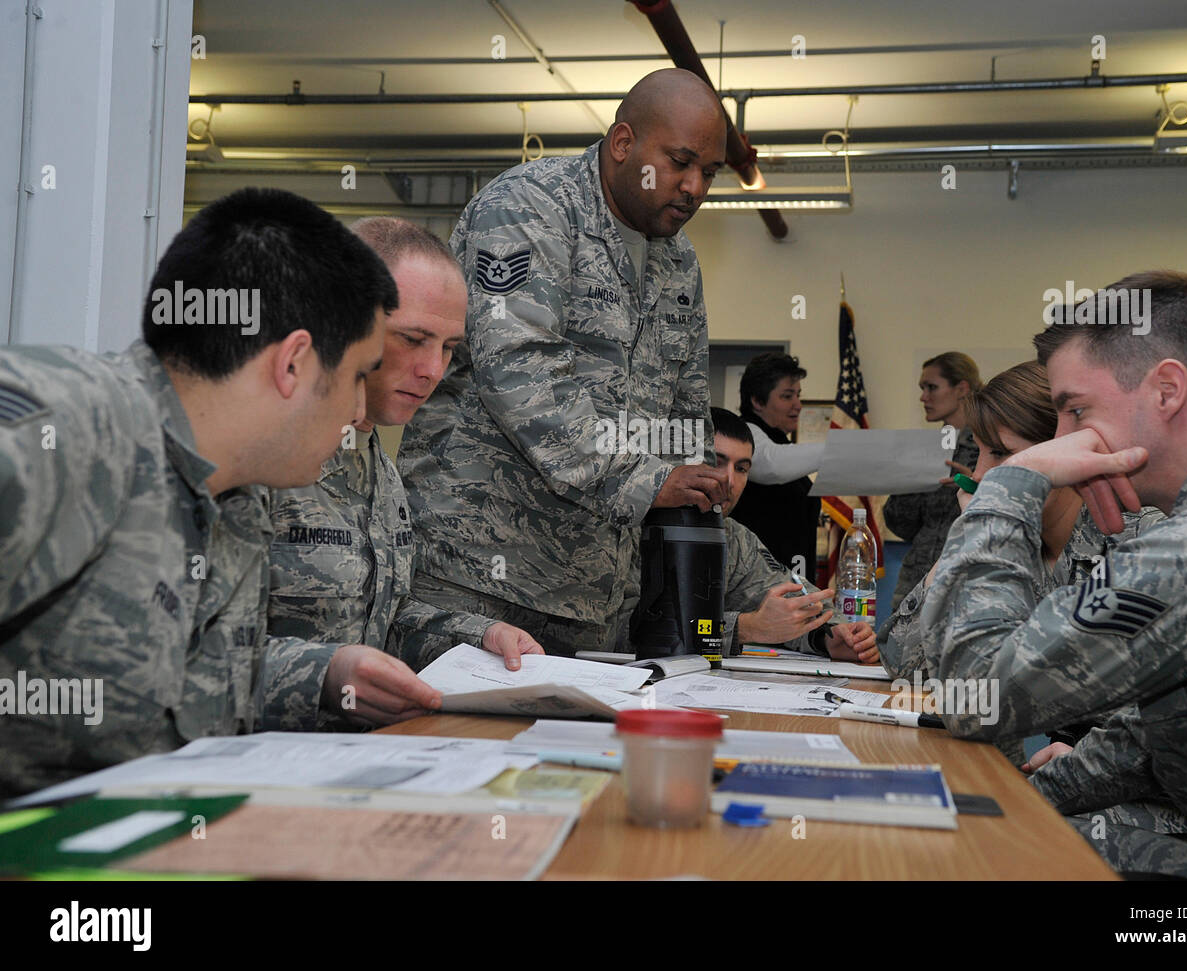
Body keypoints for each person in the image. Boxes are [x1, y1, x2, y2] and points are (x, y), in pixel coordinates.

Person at [0, 189, 442, 797]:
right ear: (292, 365)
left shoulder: (233, 495)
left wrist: (322, 672)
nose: (360, 407)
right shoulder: (64, 430)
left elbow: (194, 693)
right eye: (356, 377)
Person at [920, 270, 1187, 880]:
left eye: (1075, 411)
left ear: (1167, 390)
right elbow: (1159, 727)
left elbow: (974, 694)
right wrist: (1035, 797)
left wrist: (1013, 482)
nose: (1064, 440)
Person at [397, 69, 730, 656]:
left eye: (709, 172)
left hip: (598, 592)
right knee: (458, 745)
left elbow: (686, 404)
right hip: (480, 573)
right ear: (623, 143)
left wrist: (695, 491)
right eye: (680, 162)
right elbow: (520, 371)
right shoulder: (528, 207)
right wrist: (650, 481)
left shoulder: (679, 262)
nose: (695, 187)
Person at [264, 217, 544, 674]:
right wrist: (325, 679)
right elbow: (196, 659)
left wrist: (476, 637)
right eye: (412, 340)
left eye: (449, 347)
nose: (433, 369)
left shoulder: (376, 463)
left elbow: (378, 622)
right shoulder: (256, 462)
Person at [878, 361, 1166, 767]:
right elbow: (904, 663)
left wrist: (1087, 755)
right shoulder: (1011, 545)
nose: (980, 474)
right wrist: (966, 538)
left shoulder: (1141, 543)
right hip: (1070, 773)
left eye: (1001, 454)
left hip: (1145, 794)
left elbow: (1176, 714)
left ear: (1065, 452)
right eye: (978, 452)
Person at [611, 408, 877, 661]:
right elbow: (611, 633)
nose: (729, 480)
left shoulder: (734, 538)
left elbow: (795, 597)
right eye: (716, 461)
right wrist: (744, 628)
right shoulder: (626, 524)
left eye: (741, 468)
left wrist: (829, 636)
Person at [882, 352, 981, 611]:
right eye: (922, 388)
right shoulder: (925, 449)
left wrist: (974, 484)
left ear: (961, 389)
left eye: (932, 387)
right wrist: (902, 485)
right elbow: (902, 526)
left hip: (969, 582)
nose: (923, 397)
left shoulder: (991, 445)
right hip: (917, 580)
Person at [729, 352, 823, 578]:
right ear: (757, 401)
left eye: (798, 395)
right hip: (758, 586)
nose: (798, 405)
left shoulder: (779, 442)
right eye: (787, 396)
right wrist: (842, 450)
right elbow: (772, 463)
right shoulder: (743, 437)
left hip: (792, 580)